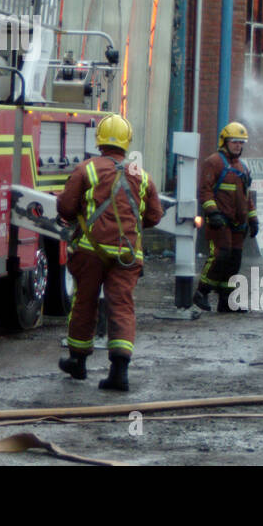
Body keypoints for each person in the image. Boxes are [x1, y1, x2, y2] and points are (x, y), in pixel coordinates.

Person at [55, 113, 163, 391]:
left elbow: (65, 208)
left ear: (99, 139)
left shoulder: (86, 169)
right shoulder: (141, 173)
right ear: (128, 142)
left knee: (84, 303)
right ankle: (119, 372)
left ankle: (78, 363)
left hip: (90, 251)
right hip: (127, 255)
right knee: (122, 305)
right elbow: (154, 216)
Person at [192, 121, 258, 312]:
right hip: (220, 222)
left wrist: (253, 219)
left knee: (234, 262)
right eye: (234, 142)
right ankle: (202, 292)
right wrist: (212, 213)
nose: (238, 145)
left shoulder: (243, 167)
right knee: (220, 256)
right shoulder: (214, 162)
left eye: (241, 142)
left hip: (238, 225)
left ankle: (227, 301)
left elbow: (247, 197)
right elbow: (205, 191)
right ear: (225, 142)